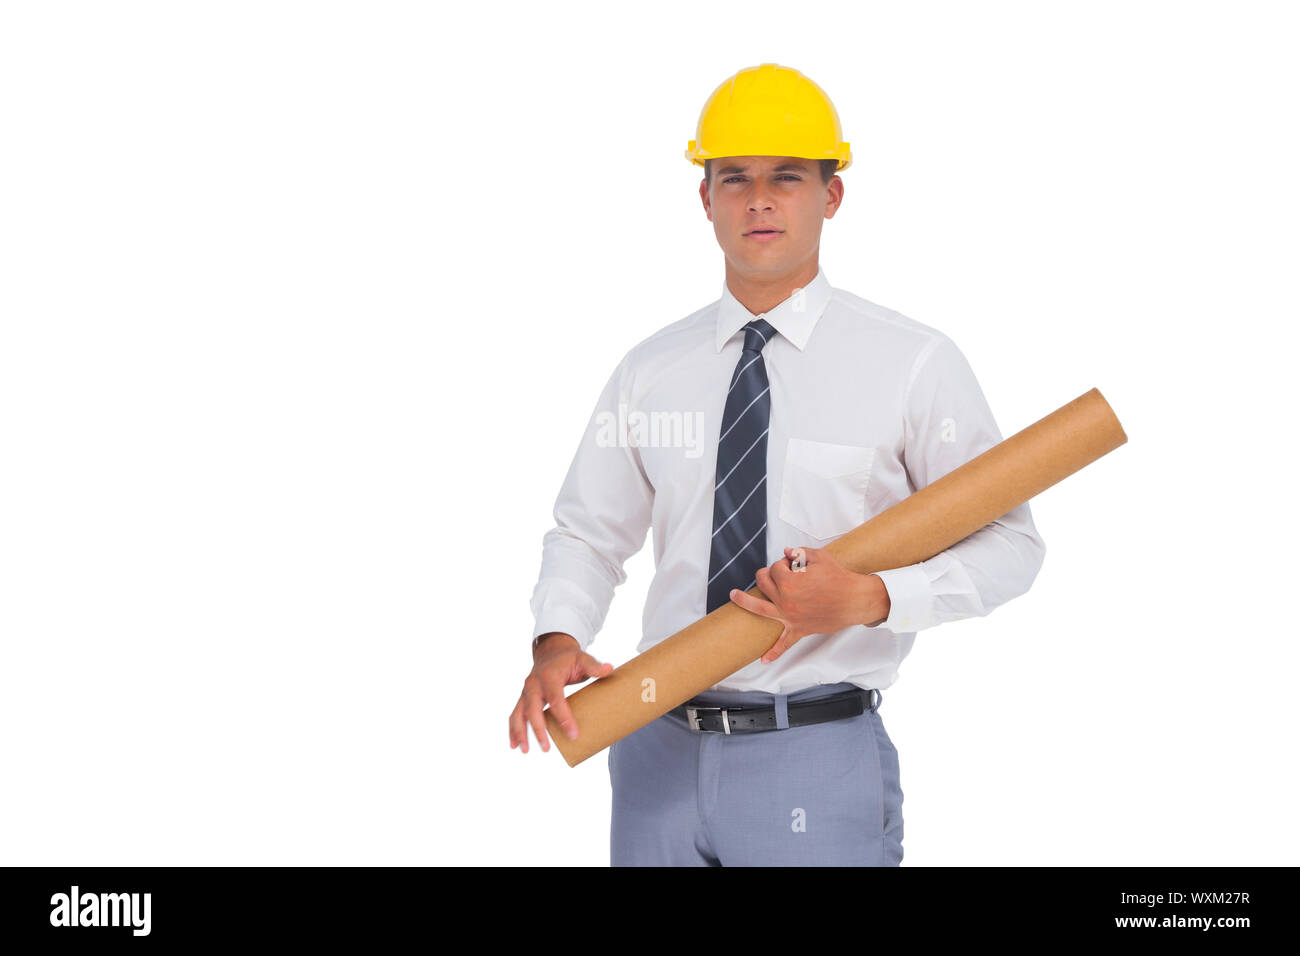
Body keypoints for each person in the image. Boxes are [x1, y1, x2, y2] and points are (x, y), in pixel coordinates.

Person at [508, 62, 1046, 866]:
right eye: (735, 178)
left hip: (815, 752)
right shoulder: (650, 369)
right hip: (654, 749)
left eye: (787, 177)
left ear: (831, 195)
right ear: (705, 199)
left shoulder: (912, 364)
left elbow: (1012, 544)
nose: (759, 199)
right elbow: (586, 533)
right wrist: (556, 641)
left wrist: (870, 597)